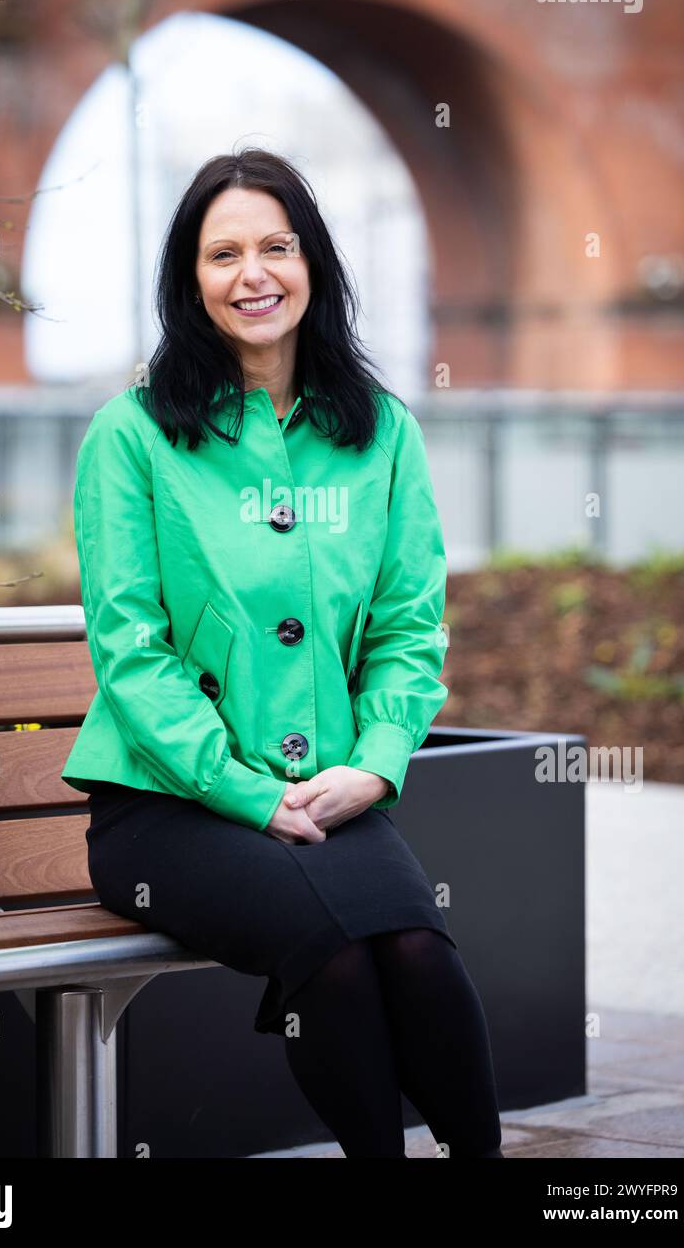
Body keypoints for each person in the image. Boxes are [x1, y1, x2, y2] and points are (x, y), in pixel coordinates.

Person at [62, 147, 503, 1159]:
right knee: (339, 958)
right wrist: (245, 791)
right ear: (191, 281)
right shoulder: (131, 436)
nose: (253, 274)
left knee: (415, 949)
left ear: (315, 266)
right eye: (224, 254)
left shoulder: (380, 432)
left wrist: (377, 763)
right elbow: (132, 653)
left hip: (333, 788)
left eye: (277, 246)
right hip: (167, 804)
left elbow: (408, 629)